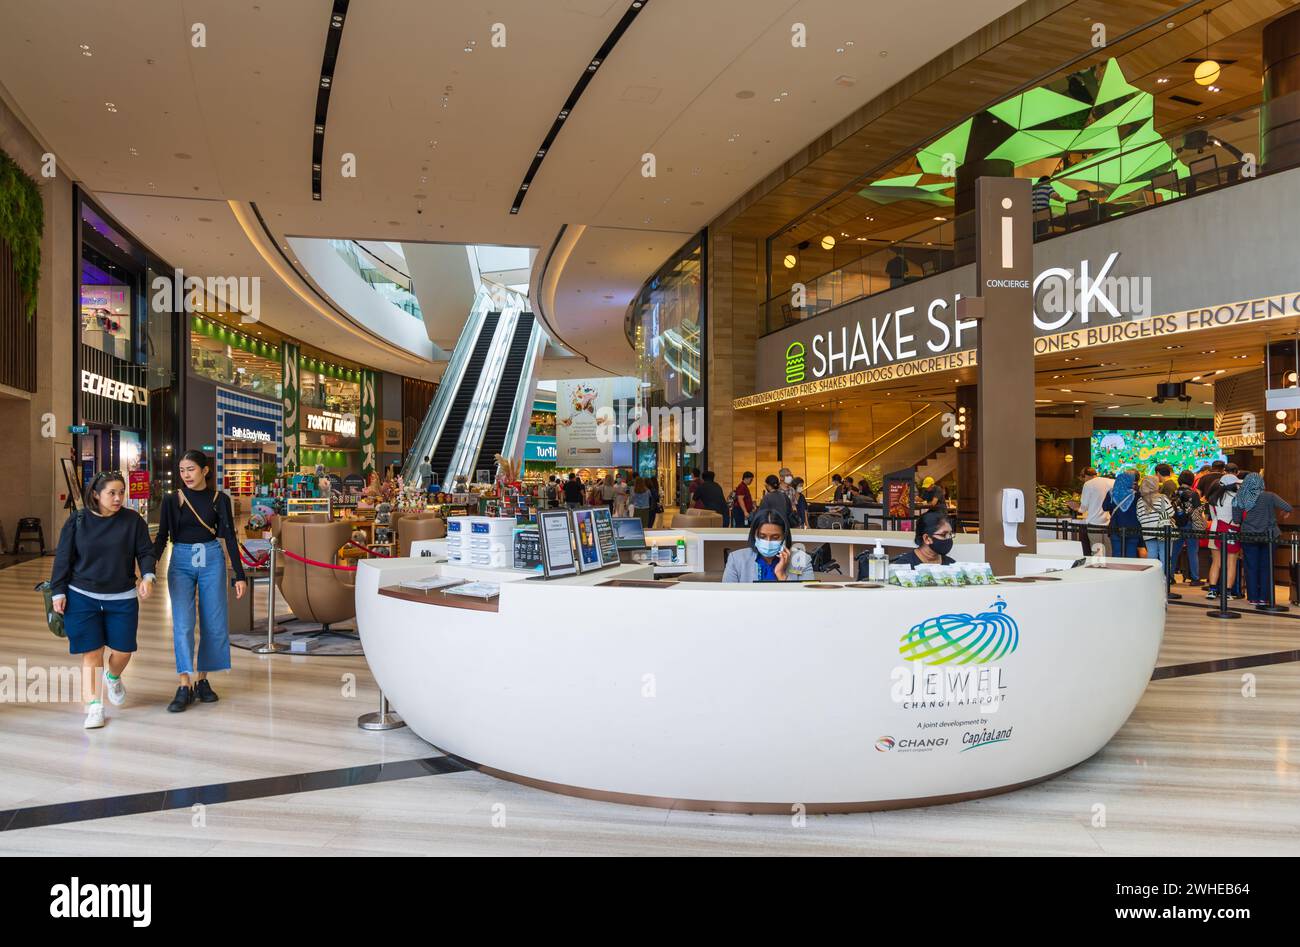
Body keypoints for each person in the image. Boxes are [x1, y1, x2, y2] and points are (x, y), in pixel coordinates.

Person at [49, 472, 157, 729]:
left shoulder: (133, 521)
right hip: (82, 595)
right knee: (92, 652)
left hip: (122, 596)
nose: (119, 498)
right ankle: (95, 707)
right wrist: (58, 591)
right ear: (96, 494)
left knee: (123, 650)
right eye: (112, 493)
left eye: (122, 492)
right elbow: (63, 557)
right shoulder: (77, 520)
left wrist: (148, 577)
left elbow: (145, 551)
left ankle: (113, 676)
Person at [153, 450, 249, 713]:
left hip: (212, 558)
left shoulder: (220, 499)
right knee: (183, 624)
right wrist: (149, 568)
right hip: (181, 559)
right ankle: (183, 683)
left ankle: (202, 680)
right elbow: (162, 536)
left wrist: (239, 574)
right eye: (182, 470)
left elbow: (230, 536)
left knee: (214, 622)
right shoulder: (172, 500)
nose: (186, 475)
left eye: (191, 469)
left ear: (205, 470)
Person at [1232, 473, 1292, 606]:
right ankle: (1264, 598)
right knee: (1266, 567)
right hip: (1269, 535)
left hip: (1248, 536)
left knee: (1251, 567)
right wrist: (1284, 512)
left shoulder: (1239, 497)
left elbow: (1236, 520)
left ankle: (1253, 597)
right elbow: (1288, 507)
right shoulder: (1270, 496)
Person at [722, 510, 814, 583]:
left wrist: (781, 575)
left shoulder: (802, 560)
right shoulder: (736, 559)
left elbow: (808, 599)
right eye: (762, 537)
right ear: (754, 535)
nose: (768, 542)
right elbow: (727, 598)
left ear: (784, 537)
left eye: (775, 537)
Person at [1204, 473, 1241, 600]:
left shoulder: (1214, 498)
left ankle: (1212, 590)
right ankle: (1227, 592)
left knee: (1216, 562)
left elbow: (1213, 517)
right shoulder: (1237, 498)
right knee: (1231, 563)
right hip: (1232, 531)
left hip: (1215, 529)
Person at [1169, 470, 1204, 586]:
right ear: (1191, 480)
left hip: (1176, 524)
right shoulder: (1193, 494)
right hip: (1190, 524)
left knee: (1174, 552)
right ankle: (1195, 578)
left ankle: (1170, 576)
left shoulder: (1174, 492)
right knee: (1192, 551)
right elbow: (1198, 511)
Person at [888, 509, 956, 568]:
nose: (948, 538)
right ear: (926, 538)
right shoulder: (904, 565)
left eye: (950, 534)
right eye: (944, 535)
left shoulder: (952, 565)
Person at [1136, 475, 1174, 574]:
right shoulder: (1162, 498)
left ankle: (1152, 577)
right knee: (1164, 555)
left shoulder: (1140, 501)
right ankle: (1164, 578)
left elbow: (1139, 517)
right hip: (1162, 531)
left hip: (1148, 532)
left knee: (1151, 555)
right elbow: (1171, 513)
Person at [1103, 469, 1141, 558]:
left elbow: (1105, 507)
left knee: (1117, 553)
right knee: (1131, 554)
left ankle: (1117, 571)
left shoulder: (1112, 493)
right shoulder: (1136, 495)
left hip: (1115, 527)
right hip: (1133, 528)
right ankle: (1130, 572)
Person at [1077, 467, 1114, 557]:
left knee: (1097, 550)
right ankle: (1111, 569)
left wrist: (1078, 509)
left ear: (1086, 476)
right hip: (1108, 522)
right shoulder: (1111, 481)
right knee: (1109, 550)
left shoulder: (1088, 484)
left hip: (1094, 522)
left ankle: (1098, 569)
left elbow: (1084, 506)